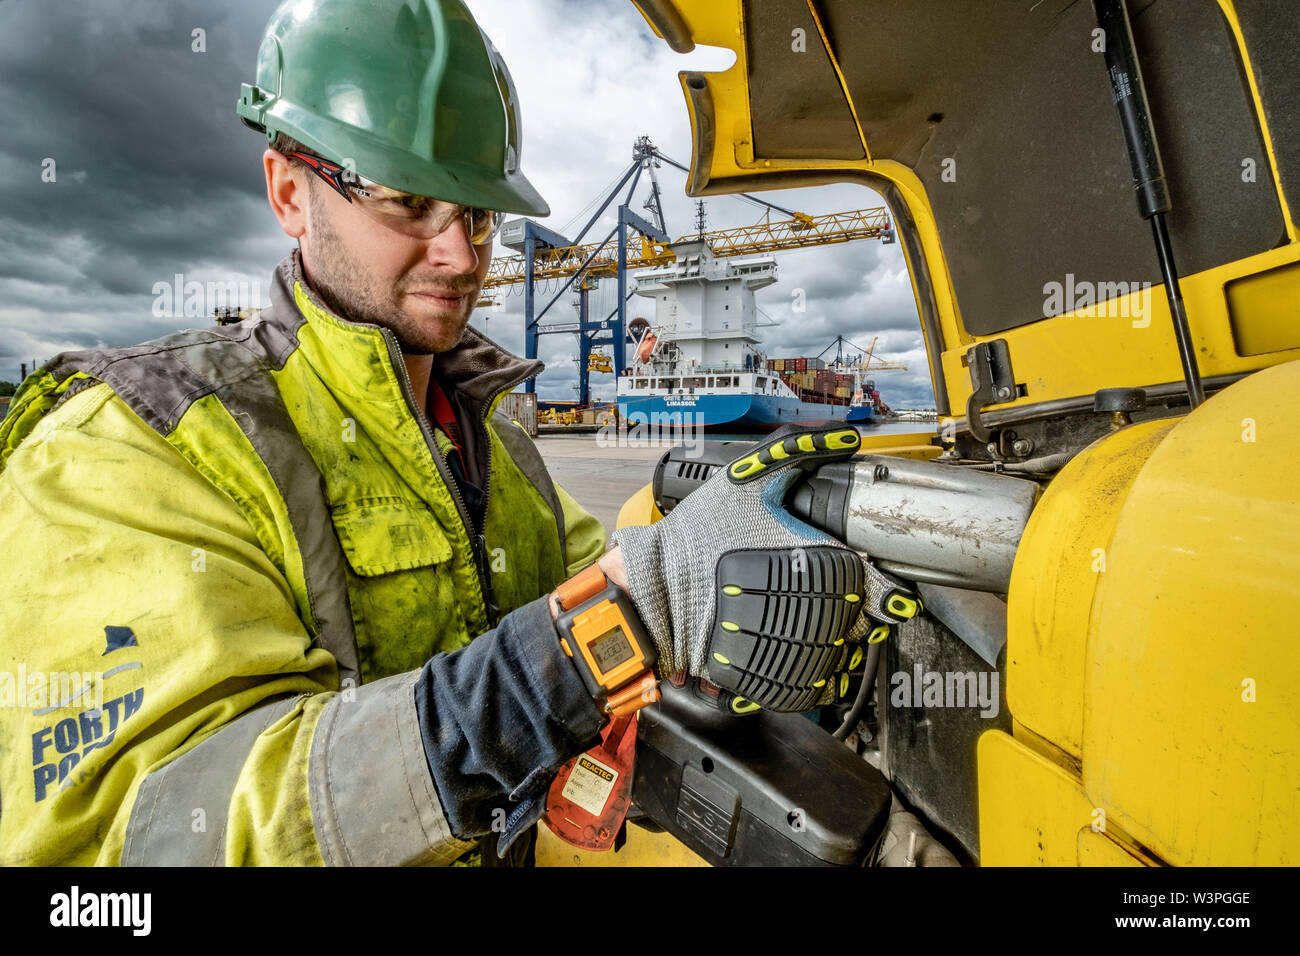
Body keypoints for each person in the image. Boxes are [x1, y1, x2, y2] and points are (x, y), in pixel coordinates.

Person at [0, 0, 898, 867]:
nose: (463, 256)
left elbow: (617, 578)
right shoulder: (129, 448)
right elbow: (143, 838)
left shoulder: (497, 440)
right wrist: (601, 632)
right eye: (406, 203)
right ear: (288, 190)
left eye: (475, 213)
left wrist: (736, 598)